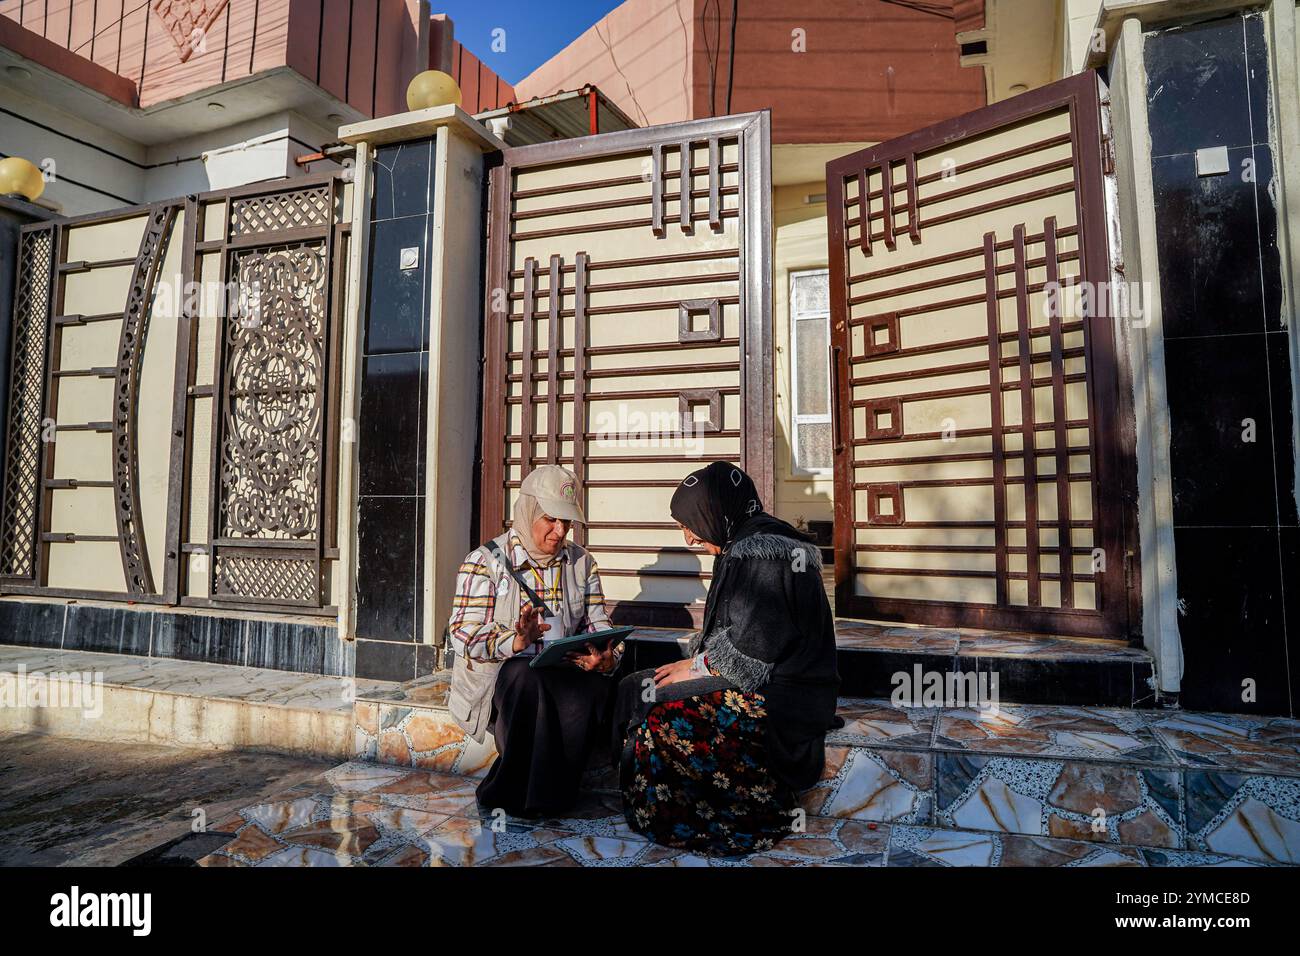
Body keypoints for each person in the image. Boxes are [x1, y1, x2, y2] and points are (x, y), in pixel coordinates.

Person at [613, 461, 840, 855]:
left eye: (691, 524)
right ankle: (646, 799)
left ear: (716, 513)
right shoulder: (743, 544)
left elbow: (754, 651)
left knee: (661, 703)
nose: (688, 537)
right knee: (638, 684)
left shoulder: (767, 553)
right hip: (763, 677)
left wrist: (694, 667)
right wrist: (695, 664)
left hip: (786, 694)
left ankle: (695, 815)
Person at [446, 464, 621, 817]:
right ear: (527, 511)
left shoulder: (582, 563)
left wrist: (606, 657)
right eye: (551, 520)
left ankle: (553, 795)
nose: (560, 531)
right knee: (527, 677)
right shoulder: (484, 563)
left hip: (562, 671)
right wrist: (514, 641)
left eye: (567, 522)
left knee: (593, 689)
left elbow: (598, 623)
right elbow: (463, 633)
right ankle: (510, 791)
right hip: (506, 682)